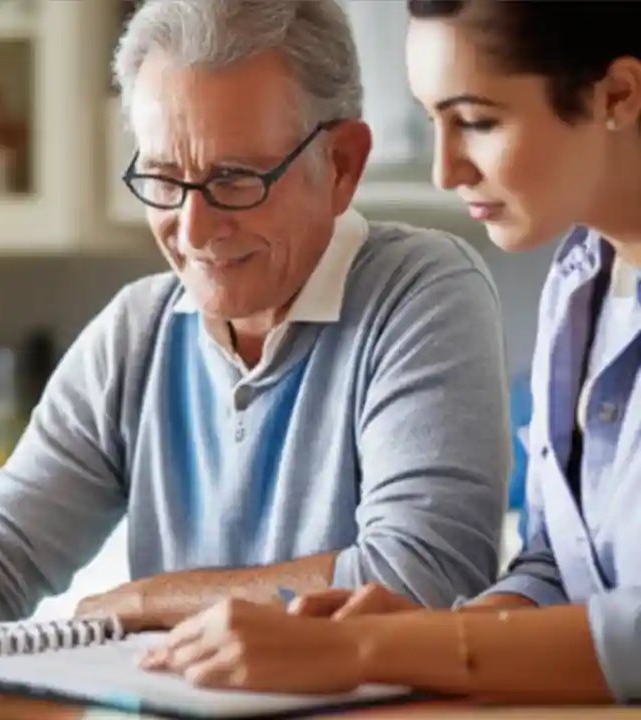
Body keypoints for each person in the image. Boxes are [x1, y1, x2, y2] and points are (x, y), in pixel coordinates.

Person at [0, 0, 512, 643]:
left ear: (342, 164)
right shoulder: (140, 332)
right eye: (163, 178)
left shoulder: (420, 292)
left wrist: (151, 601)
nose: (192, 228)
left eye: (234, 178)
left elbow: (420, 578)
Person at [144, 0, 641, 705]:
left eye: (476, 121)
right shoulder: (578, 283)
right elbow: (561, 567)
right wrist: (450, 631)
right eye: (432, 118)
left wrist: (371, 647)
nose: (445, 170)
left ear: (618, 95)